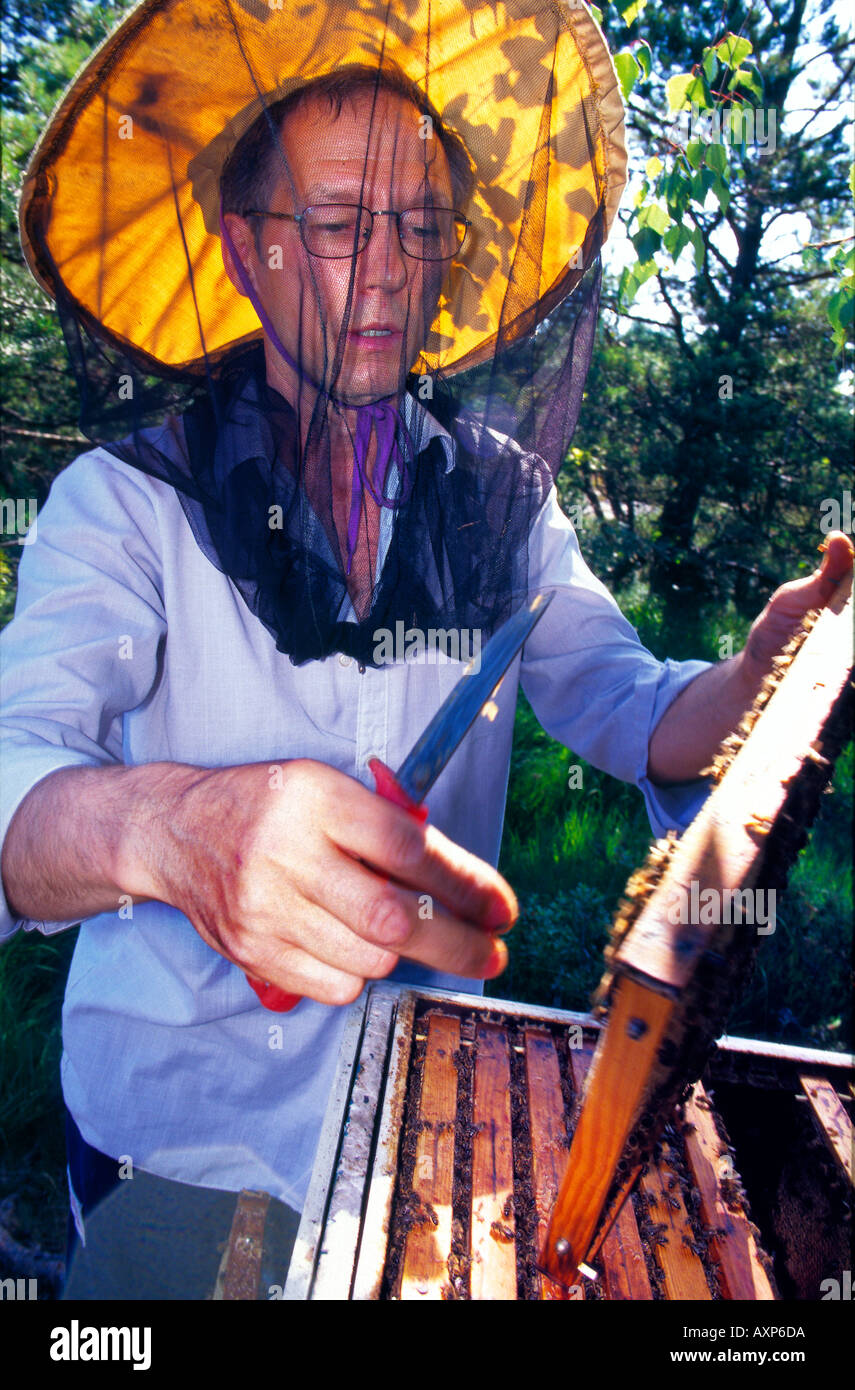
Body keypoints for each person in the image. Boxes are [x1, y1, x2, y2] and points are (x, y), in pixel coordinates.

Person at [2, 1, 851, 1298]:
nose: (391, 268)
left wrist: (754, 678)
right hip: (191, 1147)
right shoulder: (122, 508)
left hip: (434, 1117)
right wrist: (174, 830)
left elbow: (626, 704)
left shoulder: (500, 496)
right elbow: (14, 776)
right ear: (247, 249)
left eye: (421, 226)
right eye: (344, 225)